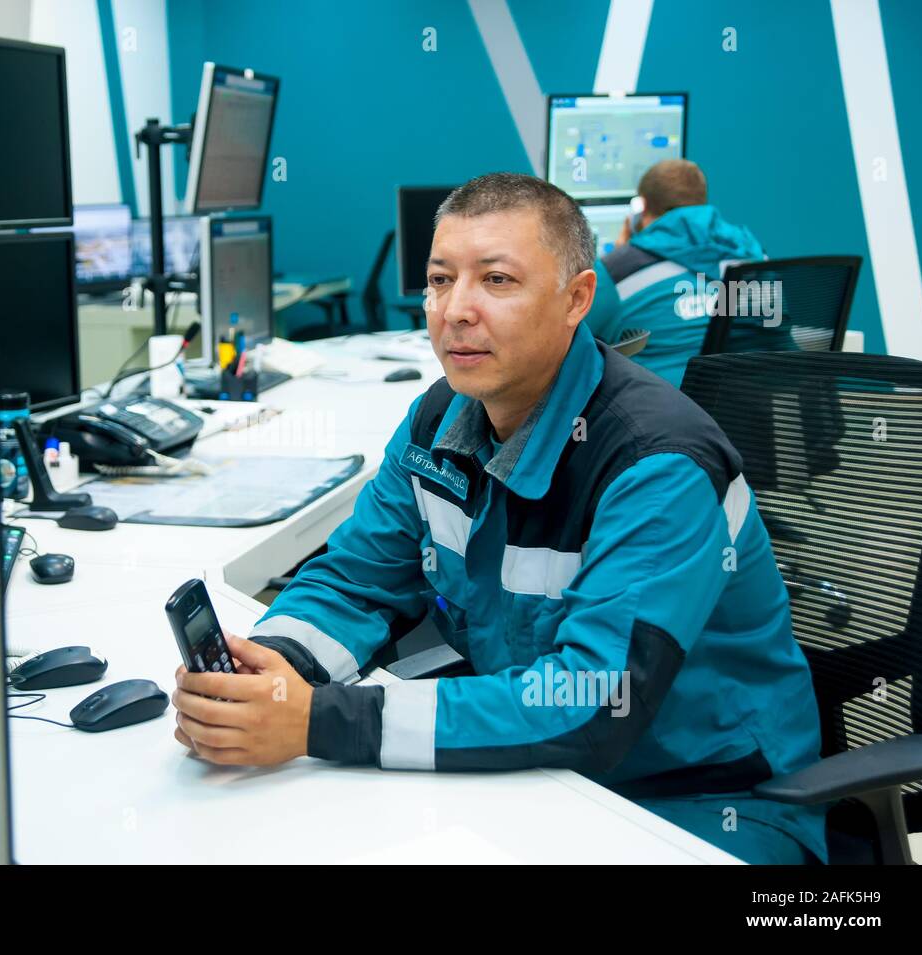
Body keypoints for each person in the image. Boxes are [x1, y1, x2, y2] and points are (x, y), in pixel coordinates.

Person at [170, 171, 826, 865]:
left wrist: (318, 722)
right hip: (539, 775)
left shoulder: (653, 463)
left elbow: (593, 701)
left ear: (576, 300)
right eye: (440, 279)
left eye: (498, 281)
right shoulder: (436, 423)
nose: (456, 309)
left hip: (705, 804)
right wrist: (274, 669)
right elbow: (356, 580)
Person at [586, 159, 767, 386]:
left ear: (642, 208)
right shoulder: (755, 255)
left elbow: (567, 338)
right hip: (746, 411)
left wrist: (617, 257)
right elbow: (779, 337)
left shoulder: (618, 271)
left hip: (654, 413)